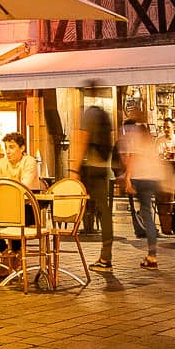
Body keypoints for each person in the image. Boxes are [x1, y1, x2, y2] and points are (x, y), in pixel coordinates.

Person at [0, 132, 43, 272]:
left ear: (22, 148)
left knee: (17, 215)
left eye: (11, 147)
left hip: (28, 208)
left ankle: (14, 257)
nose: (8, 151)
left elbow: (24, 186)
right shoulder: (2, 162)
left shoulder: (29, 162)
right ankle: (7, 253)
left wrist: (0, 183)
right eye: (6, 147)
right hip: (5, 209)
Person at [71, 102, 116, 274]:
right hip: (102, 167)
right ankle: (106, 256)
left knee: (80, 206)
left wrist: (74, 169)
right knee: (104, 212)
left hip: (90, 168)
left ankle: (105, 258)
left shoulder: (88, 115)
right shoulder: (104, 115)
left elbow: (82, 140)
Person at [120, 109, 167, 270]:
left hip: (140, 178)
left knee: (146, 214)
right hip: (152, 179)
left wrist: (127, 179)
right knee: (147, 213)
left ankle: (152, 255)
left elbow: (131, 159)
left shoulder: (134, 137)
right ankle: (151, 253)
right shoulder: (149, 138)